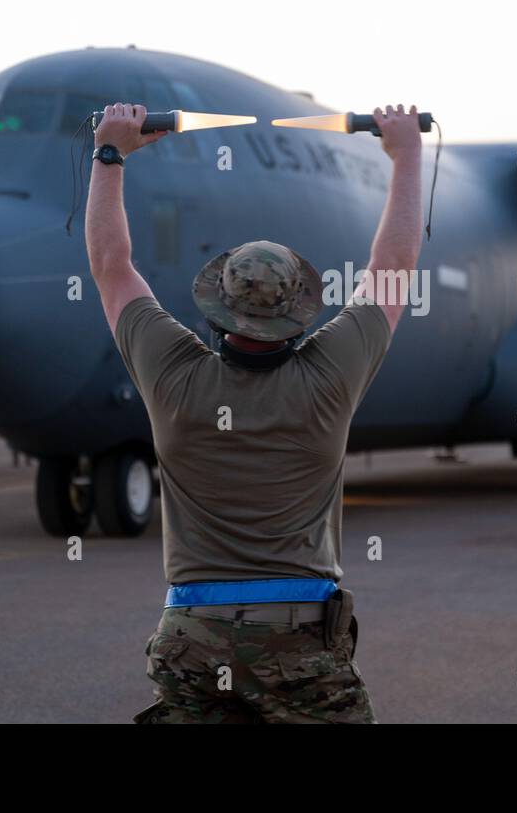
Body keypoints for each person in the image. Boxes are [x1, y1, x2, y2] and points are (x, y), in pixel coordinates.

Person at [85, 102, 423, 723]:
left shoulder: (173, 372)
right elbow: (394, 266)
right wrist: (405, 156)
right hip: (299, 640)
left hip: (191, 632)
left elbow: (111, 266)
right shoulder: (330, 375)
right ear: (301, 310)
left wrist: (110, 155)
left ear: (218, 304)